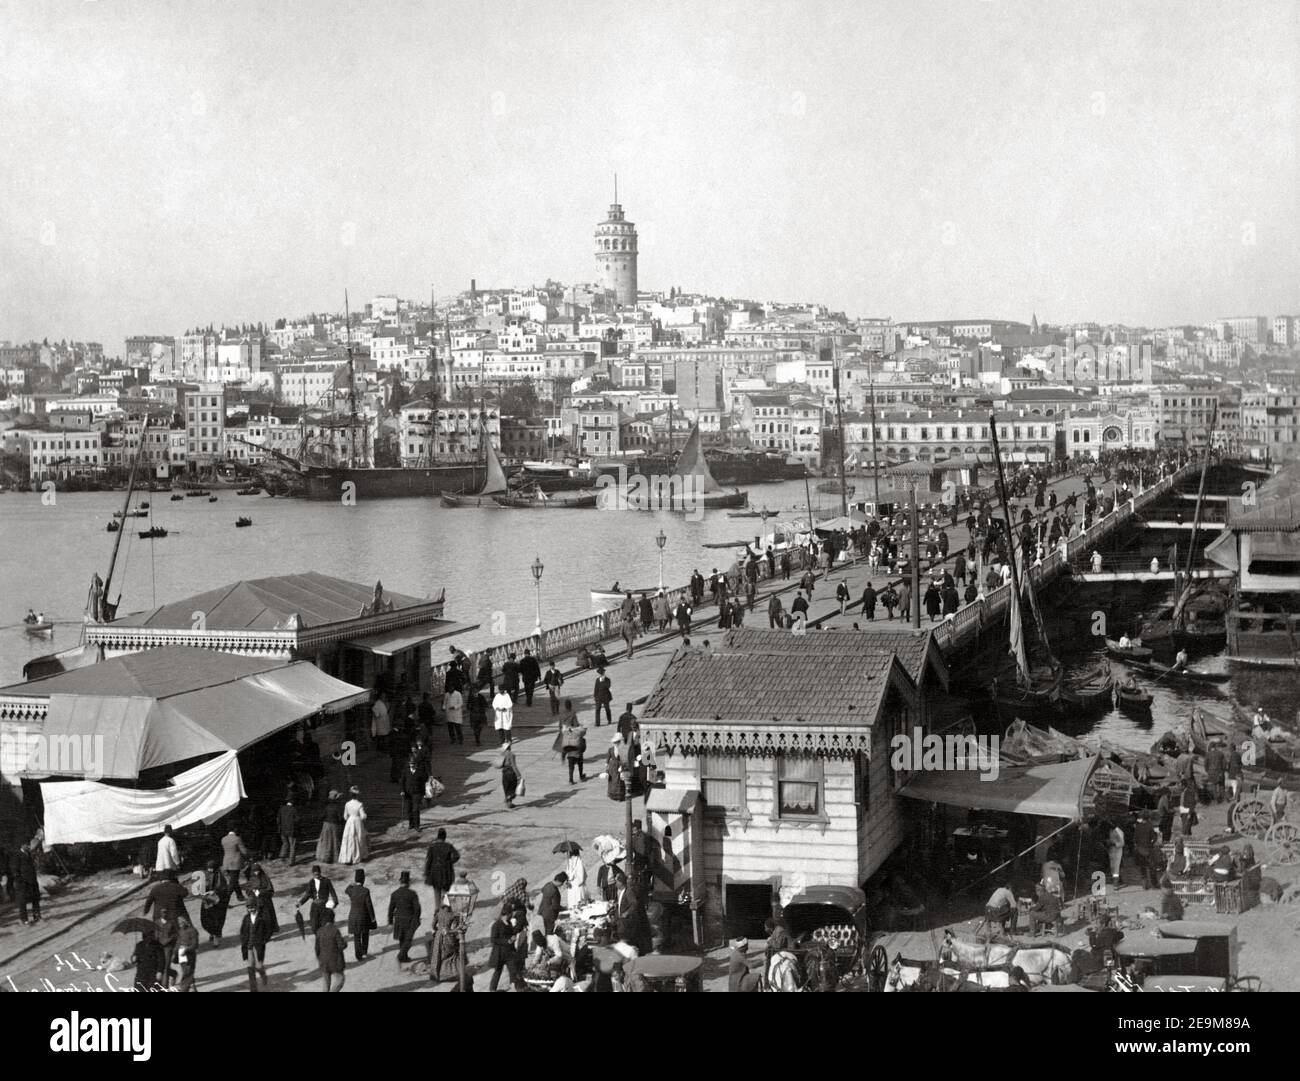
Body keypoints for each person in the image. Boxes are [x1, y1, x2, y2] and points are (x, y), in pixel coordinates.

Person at [387, 870, 422, 964]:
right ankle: (401, 955)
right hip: (410, 920)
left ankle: (404, 957)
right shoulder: (412, 893)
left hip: (398, 919)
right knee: (408, 940)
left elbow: (390, 909)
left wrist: (390, 922)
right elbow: (417, 908)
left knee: (402, 939)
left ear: (400, 882)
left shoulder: (394, 894)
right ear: (408, 882)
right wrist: (417, 919)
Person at [238, 896, 271, 991]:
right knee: (250, 968)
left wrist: (264, 940)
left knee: (259, 966)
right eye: (249, 908)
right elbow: (242, 931)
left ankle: (263, 975)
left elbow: (268, 930)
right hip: (248, 946)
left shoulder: (262, 918)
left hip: (258, 946)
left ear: (257, 907)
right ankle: (253, 989)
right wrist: (244, 940)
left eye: (252, 907)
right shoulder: (246, 918)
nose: (251, 910)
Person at [423, 828, 460, 913]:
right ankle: (445, 907)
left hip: (435, 871)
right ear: (445, 837)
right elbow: (457, 856)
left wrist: (427, 872)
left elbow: (429, 860)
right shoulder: (448, 846)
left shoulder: (432, 846)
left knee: (436, 890)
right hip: (446, 872)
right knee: (445, 889)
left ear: (437, 836)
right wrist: (449, 862)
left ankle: (437, 908)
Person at [488, 906, 525, 991]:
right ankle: (492, 989)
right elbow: (493, 939)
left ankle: (513, 987)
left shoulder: (508, 923)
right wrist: (507, 941)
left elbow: (511, 932)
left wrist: (514, 936)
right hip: (500, 953)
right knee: (498, 972)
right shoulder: (496, 925)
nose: (512, 915)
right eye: (510, 914)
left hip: (509, 953)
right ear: (506, 914)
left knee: (513, 970)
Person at [344, 869, 377, 961]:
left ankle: (358, 956)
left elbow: (346, 890)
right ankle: (364, 952)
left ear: (355, 879)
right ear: (364, 879)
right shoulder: (366, 891)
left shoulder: (351, 890)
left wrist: (351, 884)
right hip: (364, 917)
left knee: (356, 936)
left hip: (353, 916)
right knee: (365, 934)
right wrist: (373, 918)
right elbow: (369, 905)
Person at [297, 865, 339, 935]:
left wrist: (335, 902)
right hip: (315, 906)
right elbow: (308, 894)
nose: (316, 875)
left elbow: (332, 892)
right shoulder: (311, 882)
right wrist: (301, 902)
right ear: (313, 874)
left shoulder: (326, 881)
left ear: (320, 873)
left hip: (324, 905)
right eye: (315, 874)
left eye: (317, 874)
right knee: (314, 925)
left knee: (324, 924)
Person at [315, 907, 346, 992]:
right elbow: (341, 945)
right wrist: (345, 943)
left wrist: (320, 959)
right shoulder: (335, 930)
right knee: (340, 979)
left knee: (326, 984)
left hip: (323, 961)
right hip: (335, 961)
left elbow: (317, 949)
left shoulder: (319, 931)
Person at [10, 842, 40, 924]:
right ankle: (24, 919)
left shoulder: (29, 854)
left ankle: (37, 915)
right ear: (22, 845)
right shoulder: (17, 855)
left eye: (29, 845)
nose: (28, 846)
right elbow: (15, 869)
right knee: (22, 901)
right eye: (27, 845)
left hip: (32, 880)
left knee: (35, 898)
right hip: (23, 882)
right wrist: (19, 880)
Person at [339, 787, 369, 865]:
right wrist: (365, 816)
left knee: (349, 838)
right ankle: (357, 856)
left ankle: (348, 857)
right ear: (357, 795)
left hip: (350, 821)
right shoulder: (360, 804)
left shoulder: (347, 804)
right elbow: (363, 816)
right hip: (357, 821)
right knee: (358, 838)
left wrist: (349, 818)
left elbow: (345, 817)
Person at [131, 927, 166, 992]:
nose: (148, 938)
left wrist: (160, 971)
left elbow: (162, 959)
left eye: (150, 936)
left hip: (153, 973)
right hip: (141, 973)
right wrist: (133, 958)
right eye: (146, 936)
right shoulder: (139, 945)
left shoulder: (157, 945)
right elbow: (134, 958)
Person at [315, 790, 342, 864]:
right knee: (334, 841)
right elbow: (340, 818)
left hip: (326, 825)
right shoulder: (338, 807)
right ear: (336, 798)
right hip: (334, 825)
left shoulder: (326, 807)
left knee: (326, 841)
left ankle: (326, 857)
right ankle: (334, 857)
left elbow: (321, 816)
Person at [175, 914, 200, 992]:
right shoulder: (180, 931)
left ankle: (184, 989)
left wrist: (187, 949)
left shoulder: (192, 931)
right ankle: (192, 988)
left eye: (181, 923)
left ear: (185, 922)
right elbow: (178, 942)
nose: (180, 925)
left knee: (188, 972)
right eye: (179, 924)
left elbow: (195, 944)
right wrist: (176, 951)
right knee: (186, 972)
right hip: (181, 954)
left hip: (190, 954)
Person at [561, 715, 588, 783]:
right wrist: (581, 725)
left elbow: (563, 729)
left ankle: (571, 779)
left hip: (570, 752)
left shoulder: (566, 732)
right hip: (577, 752)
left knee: (571, 767)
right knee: (580, 764)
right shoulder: (578, 731)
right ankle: (581, 776)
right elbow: (584, 730)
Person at [498, 738, 520, 809]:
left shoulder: (502, 754)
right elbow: (514, 765)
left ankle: (508, 802)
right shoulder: (511, 754)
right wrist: (518, 775)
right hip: (511, 772)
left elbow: (499, 765)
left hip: (504, 772)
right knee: (513, 786)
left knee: (506, 787)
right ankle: (509, 800)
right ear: (509, 747)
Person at [276, 799, 298, 865]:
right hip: (291, 830)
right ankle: (291, 861)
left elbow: (278, 820)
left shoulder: (281, 809)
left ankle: (282, 856)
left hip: (283, 830)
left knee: (285, 843)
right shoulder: (293, 809)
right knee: (292, 845)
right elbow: (297, 819)